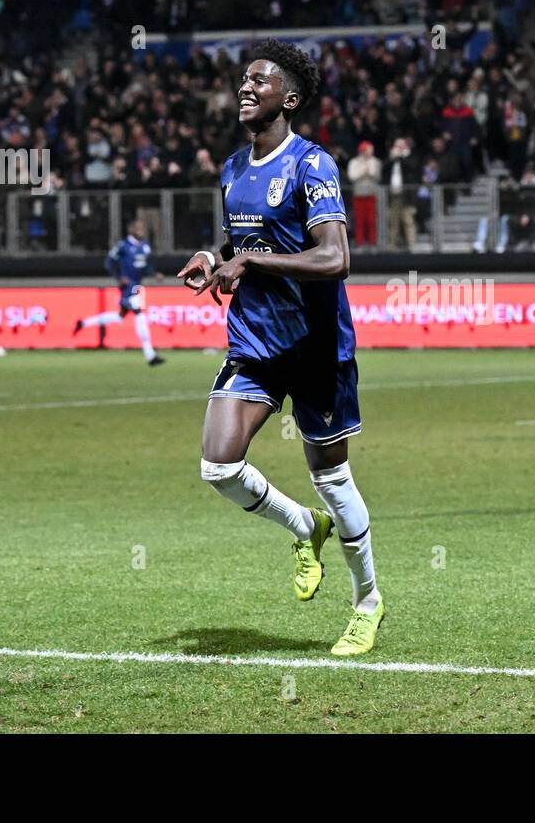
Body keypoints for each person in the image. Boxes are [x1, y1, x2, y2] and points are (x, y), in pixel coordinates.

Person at [177, 39, 383, 656]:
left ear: (288, 98)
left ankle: (367, 601)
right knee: (218, 466)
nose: (246, 87)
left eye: (259, 81)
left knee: (332, 476)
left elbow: (335, 257)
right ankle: (303, 528)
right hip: (255, 343)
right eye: (243, 79)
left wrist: (248, 261)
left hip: (317, 348)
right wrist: (217, 256)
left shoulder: (311, 165)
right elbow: (241, 234)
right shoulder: (233, 168)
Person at [73, 219, 165, 366]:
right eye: (138, 228)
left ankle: (84, 323)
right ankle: (150, 355)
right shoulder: (123, 246)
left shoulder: (145, 246)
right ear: (132, 230)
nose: (141, 230)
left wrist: (154, 274)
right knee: (139, 314)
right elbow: (108, 262)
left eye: (142, 228)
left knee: (120, 317)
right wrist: (119, 277)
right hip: (128, 287)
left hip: (137, 285)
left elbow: (146, 264)